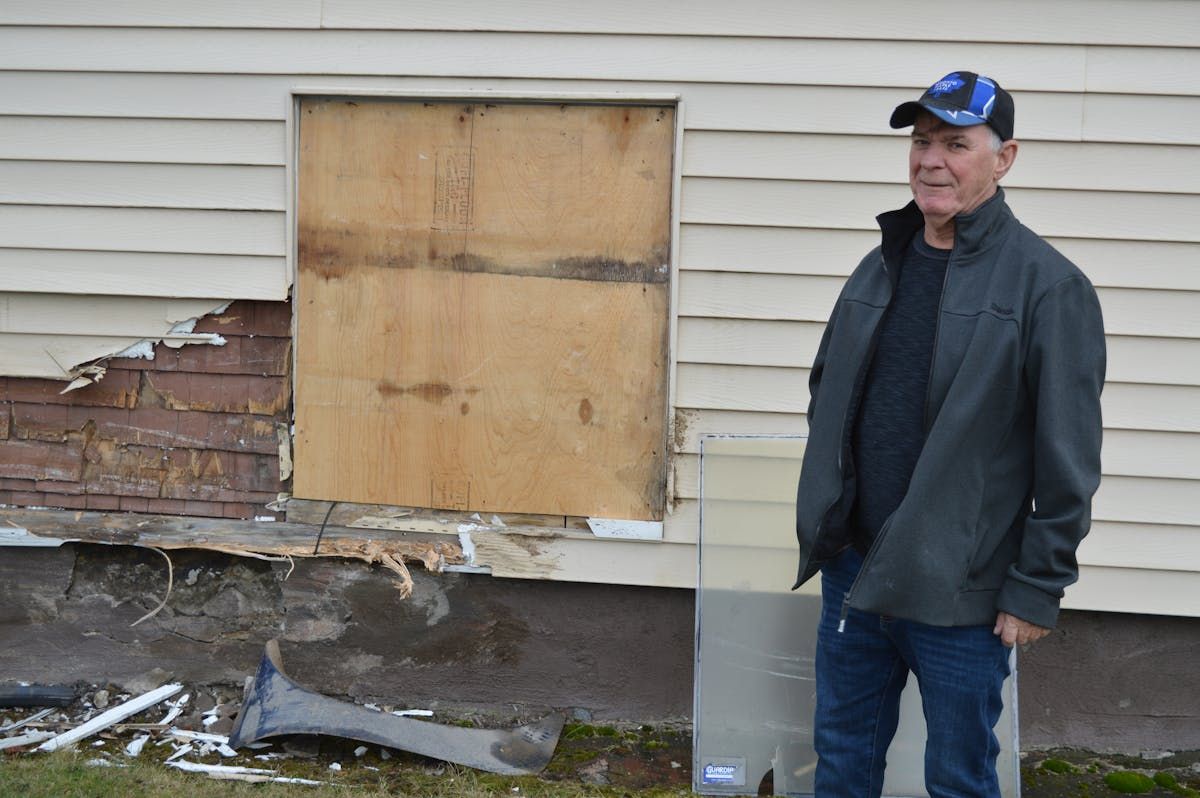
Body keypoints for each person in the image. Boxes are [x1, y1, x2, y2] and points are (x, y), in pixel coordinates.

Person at [792, 71, 1106, 797]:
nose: (931, 161)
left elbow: (1069, 459)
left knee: (959, 778)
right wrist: (826, 518)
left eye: (956, 145)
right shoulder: (880, 264)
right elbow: (827, 395)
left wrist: (1037, 587)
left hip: (962, 593)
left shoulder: (1048, 288)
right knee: (840, 762)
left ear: (1005, 158)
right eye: (922, 141)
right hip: (854, 572)